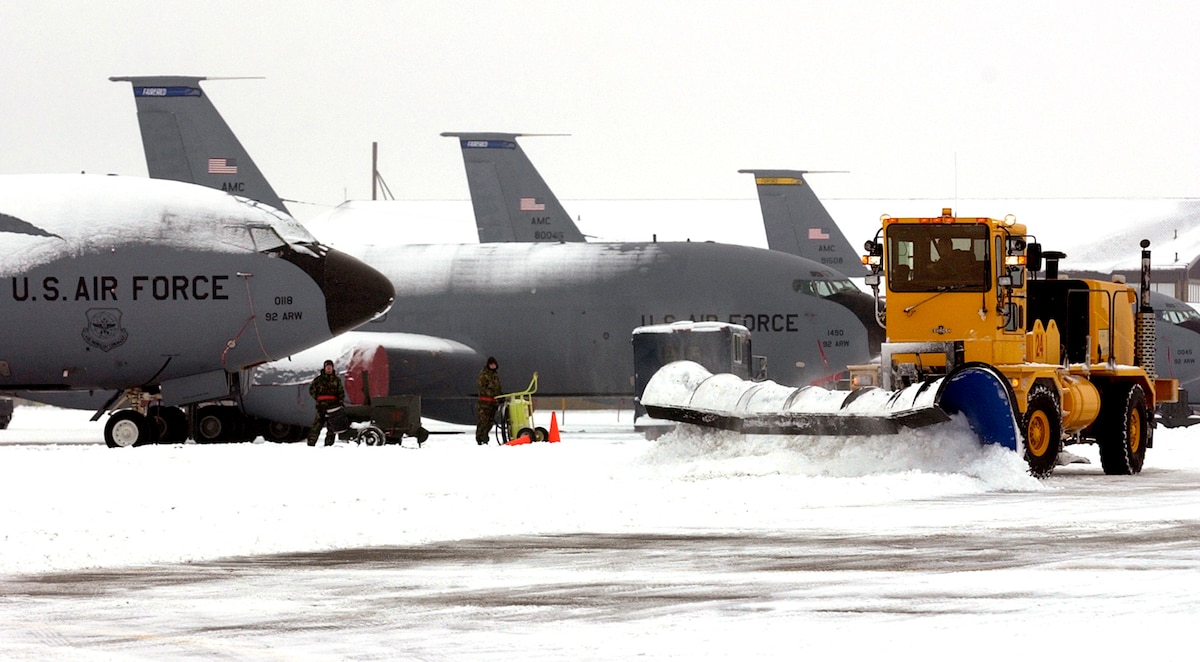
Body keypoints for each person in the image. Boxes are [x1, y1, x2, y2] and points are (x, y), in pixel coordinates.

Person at [307, 359, 345, 446]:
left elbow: (341, 392)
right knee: (316, 426)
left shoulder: (336, 380)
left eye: (330, 367)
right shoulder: (318, 380)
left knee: (331, 428)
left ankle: (328, 445)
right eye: (327, 367)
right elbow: (312, 390)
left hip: (333, 407)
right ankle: (311, 444)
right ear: (324, 368)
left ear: (332, 368)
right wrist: (318, 399)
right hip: (321, 407)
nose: (328, 369)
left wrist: (340, 401)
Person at [475, 356, 502, 445]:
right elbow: (482, 388)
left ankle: (484, 437)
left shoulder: (495, 376)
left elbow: (498, 388)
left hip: (493, 403)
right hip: (484, 403)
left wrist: (501, 396)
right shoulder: (483, 375)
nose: (493, 366)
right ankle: (480, 438)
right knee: (483, 422)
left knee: (490, 422)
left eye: (494, 364)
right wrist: (493, 394)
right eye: (491, 364)